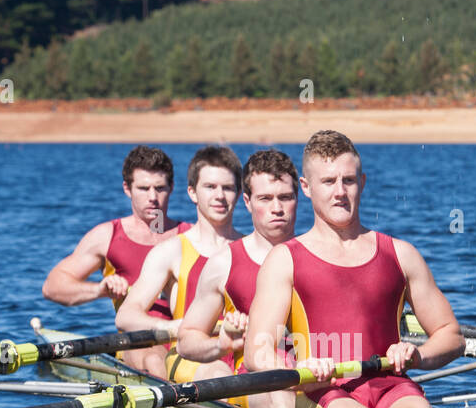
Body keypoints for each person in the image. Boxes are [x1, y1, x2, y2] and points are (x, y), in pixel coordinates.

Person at [245, 130, 464, 408]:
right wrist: (299, 366)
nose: (339, 192)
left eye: (348, 180)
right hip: (320, 391)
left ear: (362, 181)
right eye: (328, 181)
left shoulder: (401, 254)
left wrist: (416, 354)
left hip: (390, 384)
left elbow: (451, 335)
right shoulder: (284, 259)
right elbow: (256, 352)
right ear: (306, 187)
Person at [42, 146, 191, 378]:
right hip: (139, 342)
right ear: (127, 189)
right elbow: (52, 287)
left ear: (171, 188)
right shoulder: (107, 236)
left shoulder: (191, 236)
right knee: (154, 356)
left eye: (160, 188)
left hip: (187, 337)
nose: (153, 197)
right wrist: (99, 290)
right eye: (143, 188)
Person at [115, 145, 243, 381]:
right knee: (219, 372)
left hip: (240, 354)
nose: (220, 196)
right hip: (192, 358)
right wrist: (173, 327)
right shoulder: (171, 251)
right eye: (210, 187)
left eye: (227, 188)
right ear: (193, 193)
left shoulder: (250, 248)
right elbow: (125, 316)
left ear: (239, 193)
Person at [175, 149, 299, 376]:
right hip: (254, 384)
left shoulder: (318, 253)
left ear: (297, 199)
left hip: (312, 377)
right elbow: (186, 341)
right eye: (265, 198)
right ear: (247, 201)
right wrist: (220, 345)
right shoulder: (224, 263)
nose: (277, 208)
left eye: (285, 197)